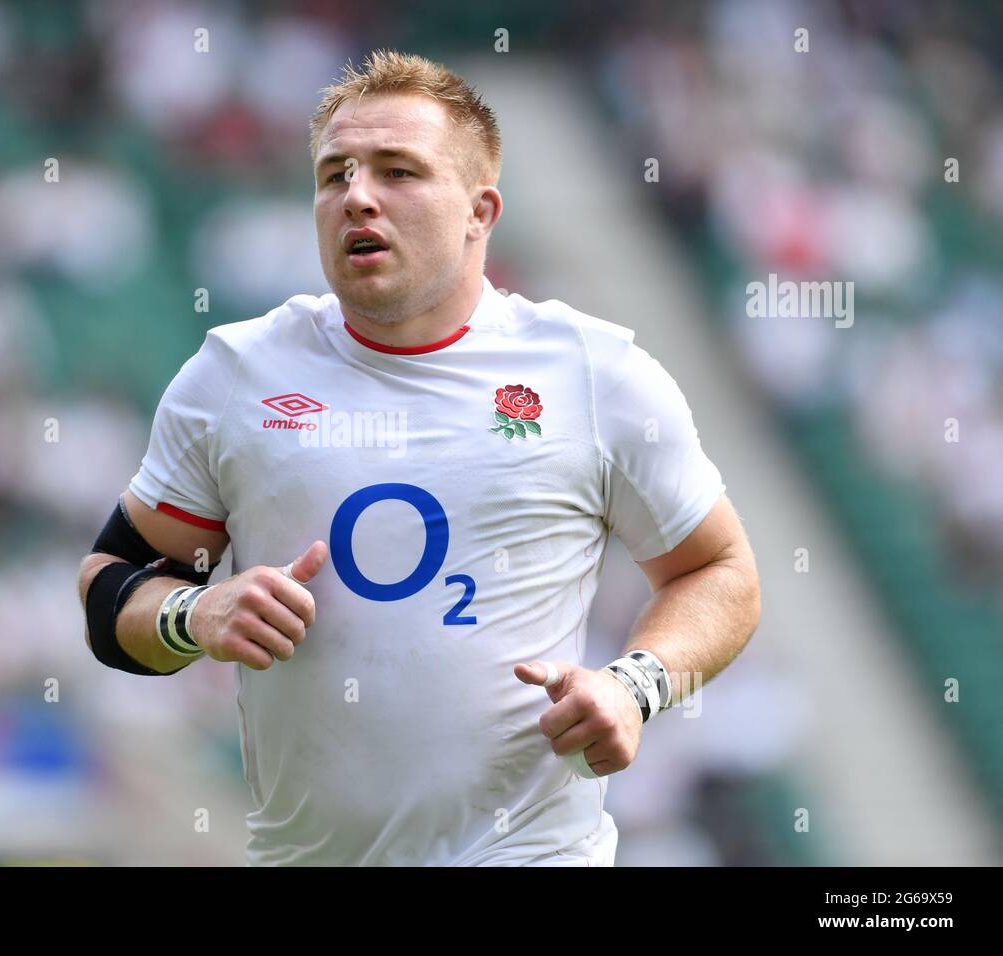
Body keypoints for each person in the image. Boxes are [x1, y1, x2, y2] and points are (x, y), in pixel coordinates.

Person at [77, 50, 761, 866]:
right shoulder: (236, 374)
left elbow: (721, 572)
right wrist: (195, 617)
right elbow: (108, 590)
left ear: (480, 211)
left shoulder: (591, 373)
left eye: (398, 171)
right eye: (334, 176)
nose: (357, 196)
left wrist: (636, 685)